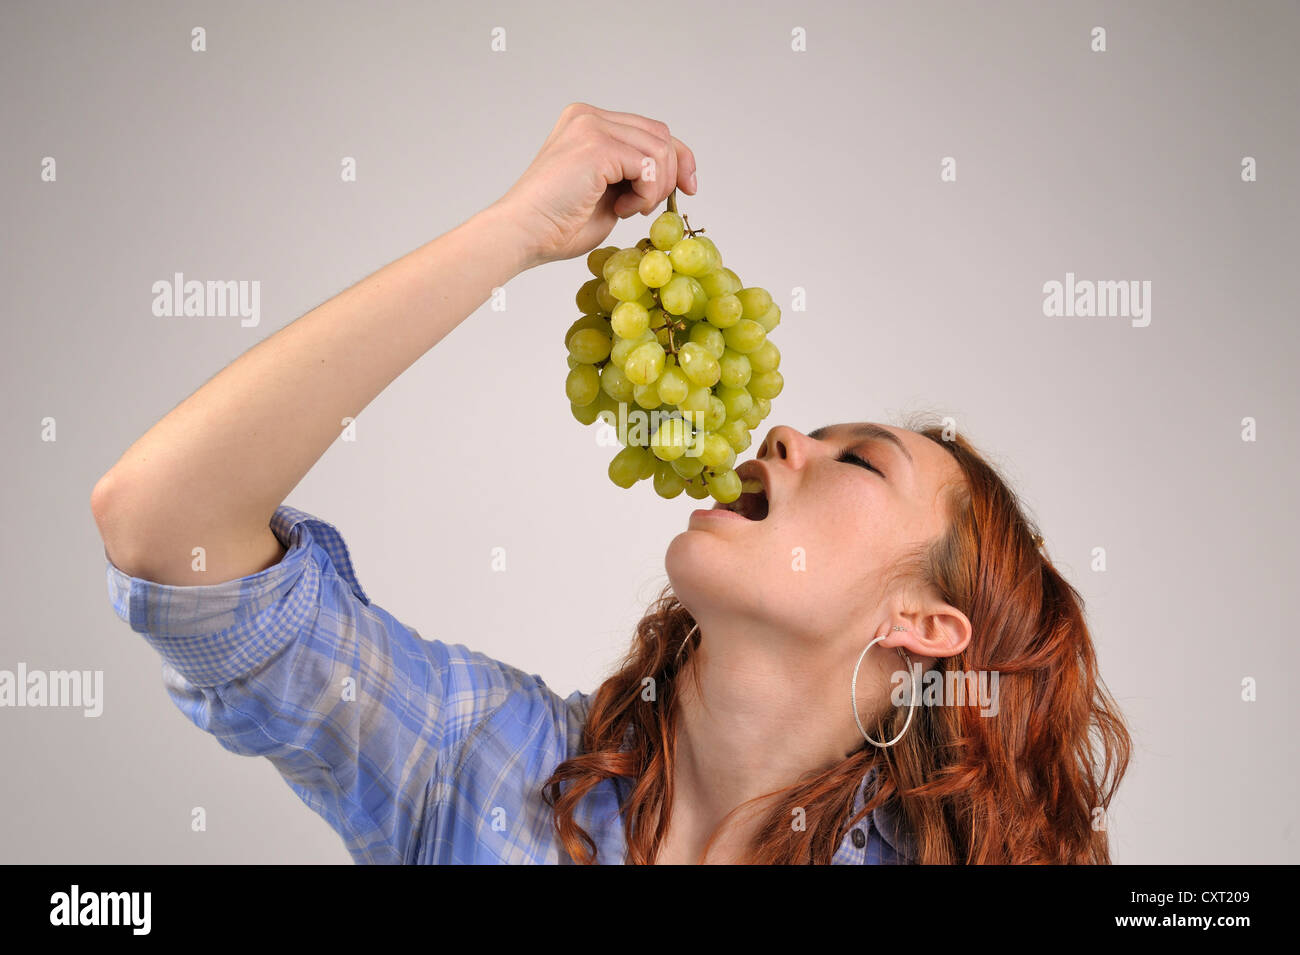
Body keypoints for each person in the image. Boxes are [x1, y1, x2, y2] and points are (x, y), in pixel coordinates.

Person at [91, 103, 1131, 864]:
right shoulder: (482, 762)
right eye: (809, 431)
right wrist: (508, 236)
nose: (779, 434)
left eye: (860, 459)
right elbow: (159, 521)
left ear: (927, 624)